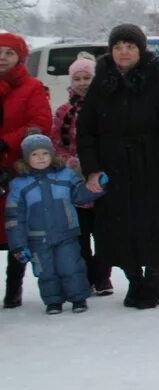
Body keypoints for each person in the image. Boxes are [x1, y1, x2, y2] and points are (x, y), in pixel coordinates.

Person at [77, 25, 159, 310]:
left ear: (140, 49)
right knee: (117, 228)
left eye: (130, 46)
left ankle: (152, 280)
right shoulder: (101, 85)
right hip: (112, 169)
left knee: (153, 226)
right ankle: (134, 279)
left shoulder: (158, 83)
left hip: (149, 166)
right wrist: (92, 170)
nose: (123, 52)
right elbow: (86, 132)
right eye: (118, 46)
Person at [4, 133, 105, 314]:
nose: (41, 158)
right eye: (34, 154)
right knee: (45, 272)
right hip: (37, 239)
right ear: (26, 158)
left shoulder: (66, 176)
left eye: (44, 153)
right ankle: (53, 301)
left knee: (71, 266)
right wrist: (18, 246)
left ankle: (78, 298)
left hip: (65, 233)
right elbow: (14, 218)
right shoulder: (19, 185)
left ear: (52, 154)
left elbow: (80, 195)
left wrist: (97, 187)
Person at [51, 52, 111, 296]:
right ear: (71, 82)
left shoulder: (105, 107)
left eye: (88, 77)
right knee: (80, 234)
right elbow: (56, 143)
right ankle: (84, 275)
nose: (83, 83)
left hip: (103, 179)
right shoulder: (63, 111)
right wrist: (68, 162)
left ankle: (102, 276)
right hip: (74, 182)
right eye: (78, 78)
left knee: (105, 232)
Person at [0, 32, 52, 309]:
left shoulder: (32, 87)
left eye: (9, 53)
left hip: (18, 169)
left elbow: (40, 123)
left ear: (20, 57)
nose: (2, 57)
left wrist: (7, 141)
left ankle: (13, 288)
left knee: (15, 230)